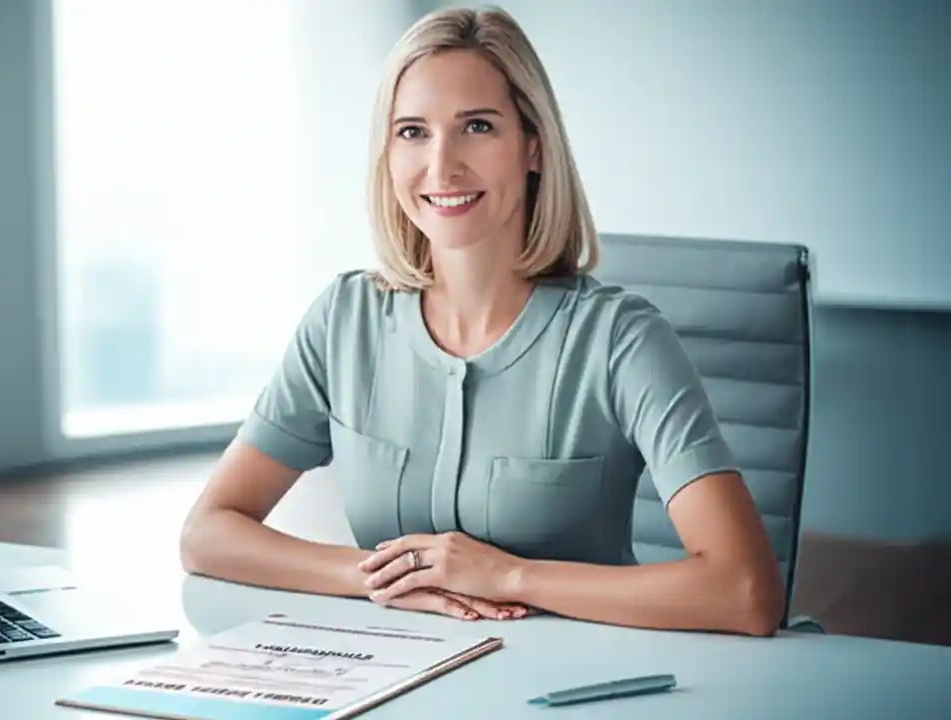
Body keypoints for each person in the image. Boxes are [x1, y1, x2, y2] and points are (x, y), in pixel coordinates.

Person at [179, 5, 784, 636]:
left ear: (533, 146)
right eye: (413, 131)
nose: (442, 166)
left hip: (581, 676)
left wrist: (509, 576)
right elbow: (208, 533)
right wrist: (385, 577)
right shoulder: (344, 320)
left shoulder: (621, 340)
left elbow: (745, 591)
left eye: (476, 126)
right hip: (403, 667)